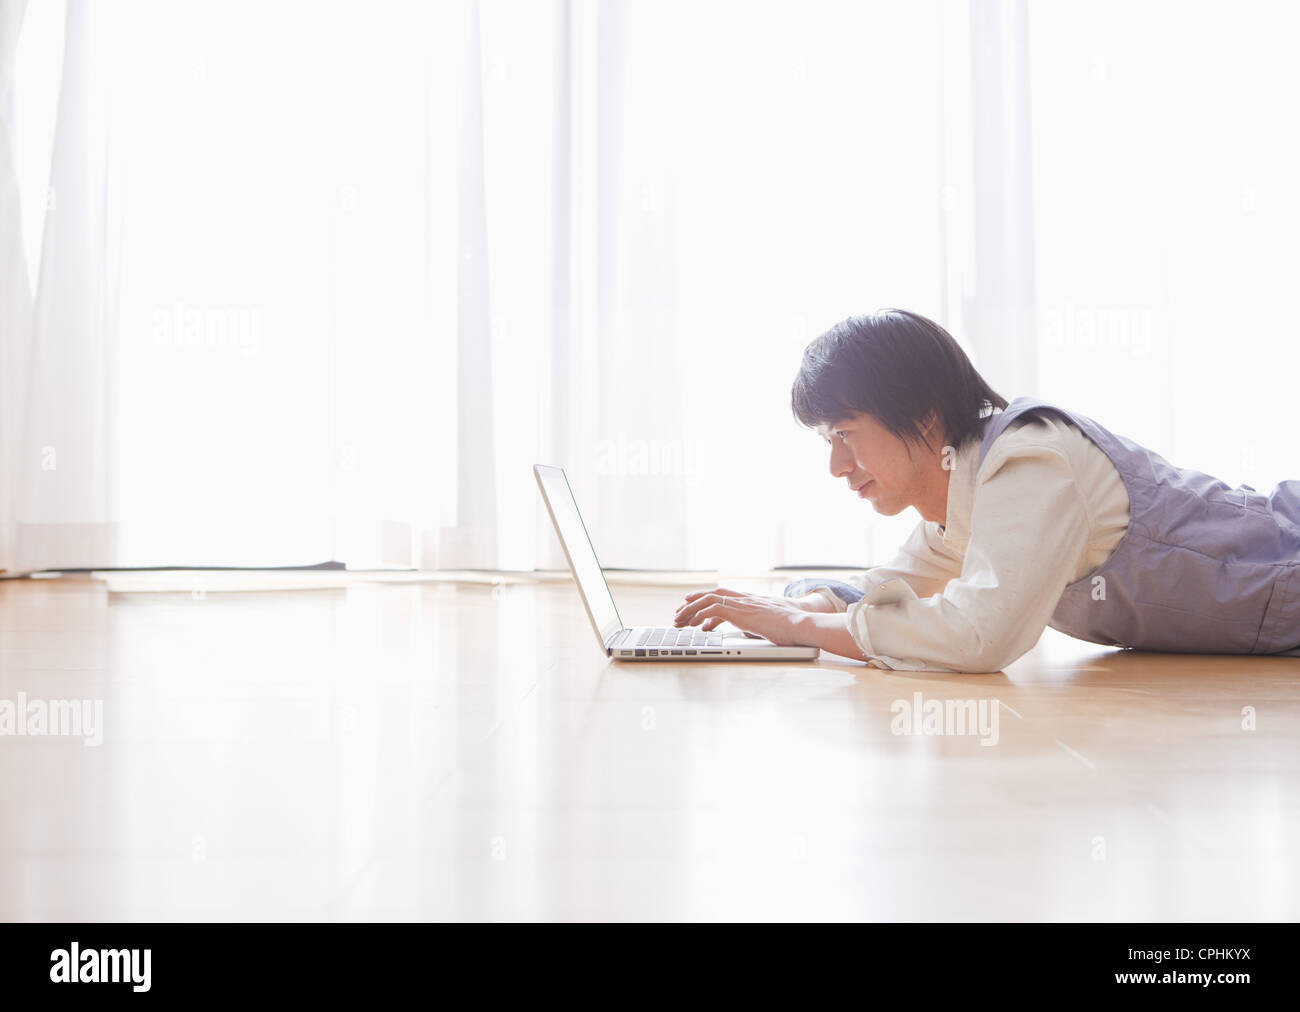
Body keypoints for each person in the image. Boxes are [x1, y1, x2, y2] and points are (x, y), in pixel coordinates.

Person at [673, 309, 1300, 671]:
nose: (838, 466)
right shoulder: (966, 497)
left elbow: (980, 635)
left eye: (845, 434)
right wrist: (779, 611)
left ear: (920, 415)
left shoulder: (1031, 462)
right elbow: (889, 585)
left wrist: (800, 628)